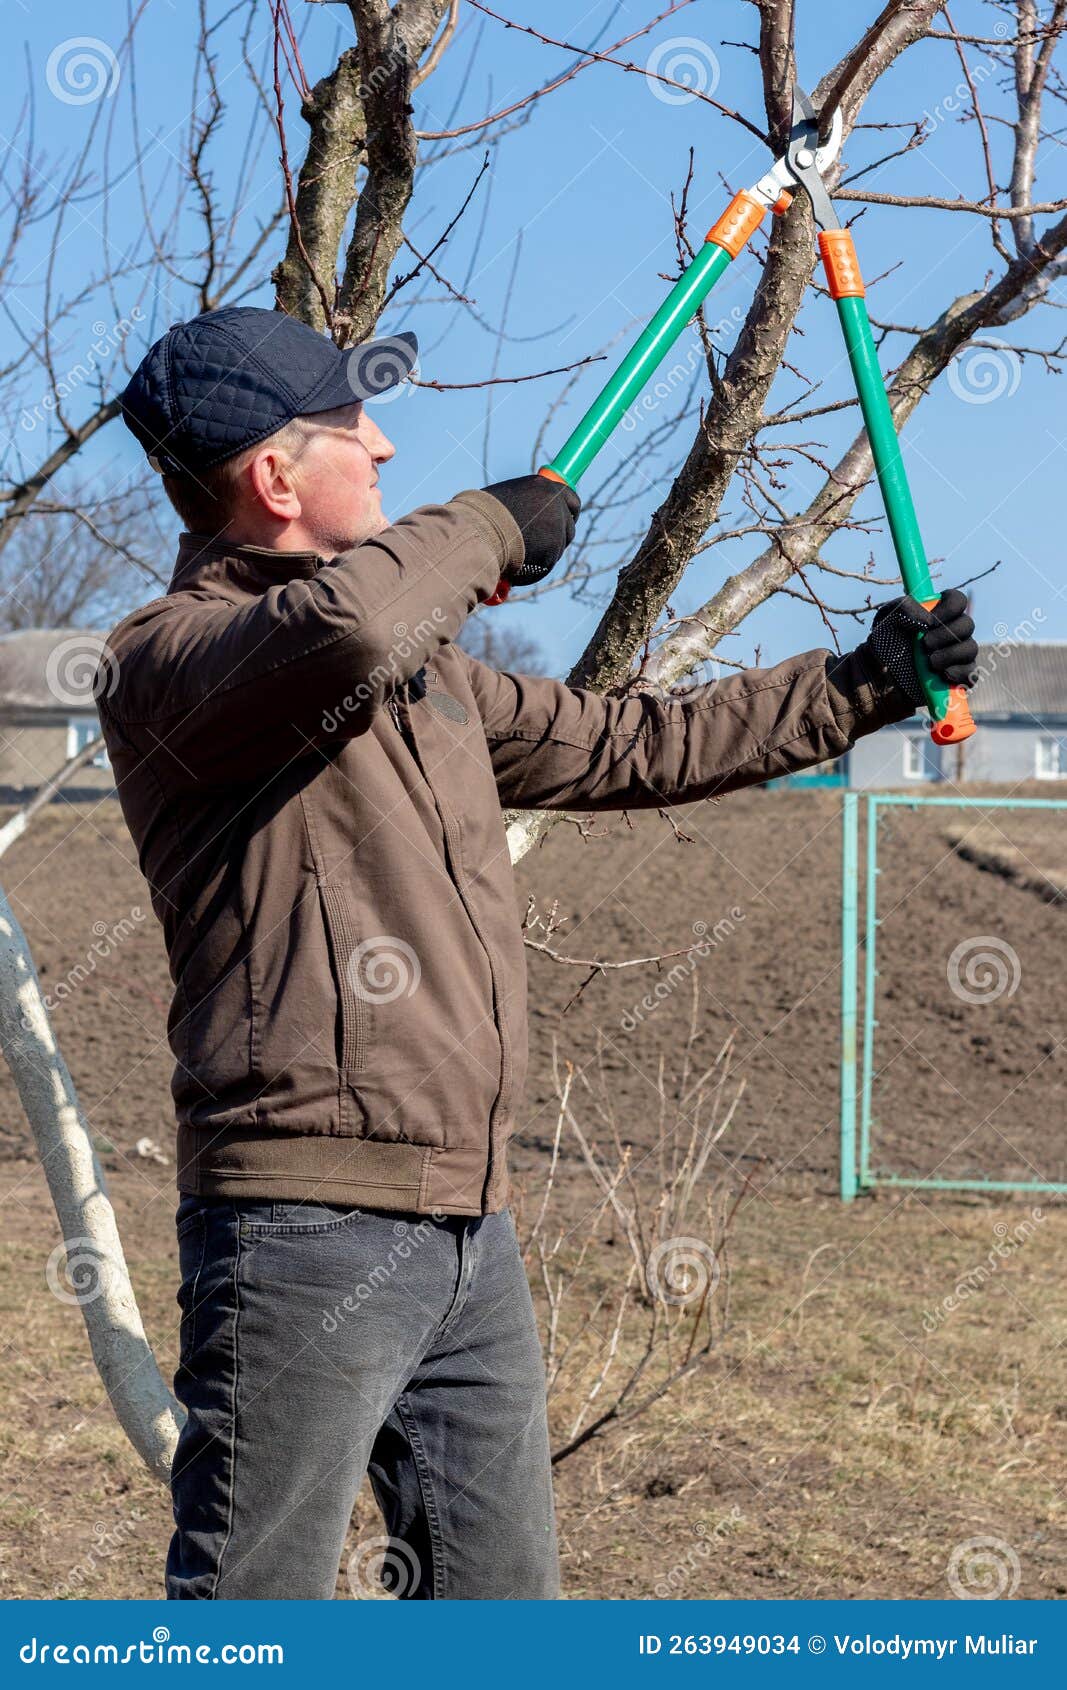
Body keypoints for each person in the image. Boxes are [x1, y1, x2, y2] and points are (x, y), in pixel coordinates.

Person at [101, 306, 979, 1601]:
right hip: (300, 1222)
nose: (387, 444)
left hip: (468, 1223)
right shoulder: (172, 663)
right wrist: (495, 522)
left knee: (500, 1614)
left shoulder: (431, 679)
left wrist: (858, 682)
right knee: (253, 1610)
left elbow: (639, 743)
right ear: (275, 478)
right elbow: (344, 630)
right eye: (355, 426)